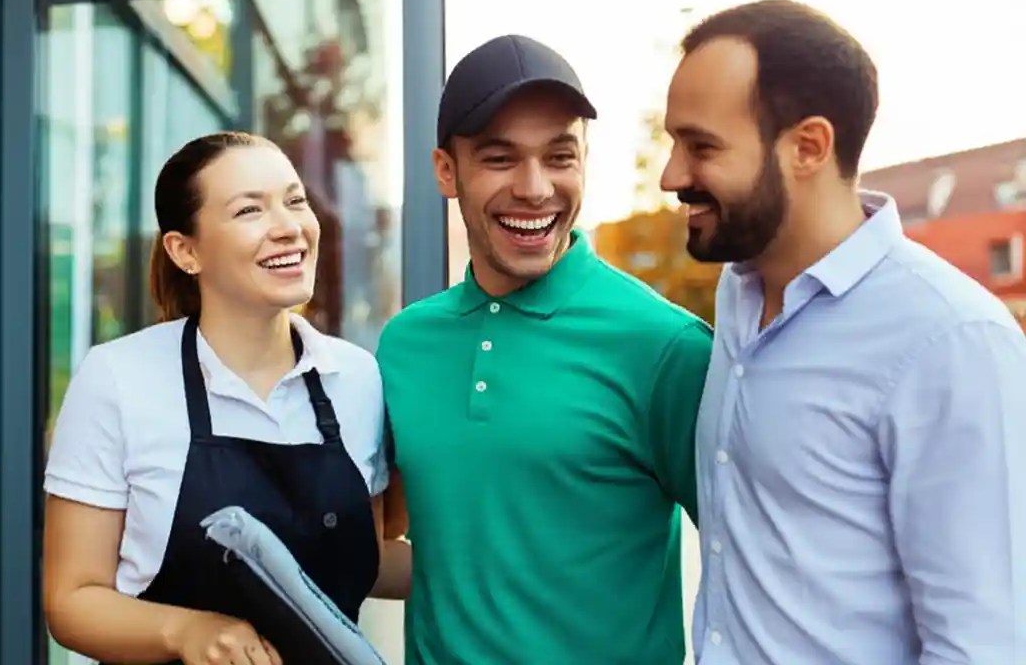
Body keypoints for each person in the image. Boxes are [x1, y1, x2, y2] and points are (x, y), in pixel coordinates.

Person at [661, 0, 1026, 664]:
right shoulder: (740, 294)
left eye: (702, 147)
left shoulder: (951, 343)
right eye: (673, 144)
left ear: (808, 147)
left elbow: (984, 646)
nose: (672, 176)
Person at [375, 34, 714, 663]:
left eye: (560, 157)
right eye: (500, 159)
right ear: (446, 171)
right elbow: (390, 541)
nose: (535, 189)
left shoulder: (664, 347)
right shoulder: (404, 345)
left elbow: (749, 565)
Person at [41, 131, 409, 665]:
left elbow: (364, 557)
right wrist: (186, 632)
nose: (288, 227)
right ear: (185, 250)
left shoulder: (355, 379)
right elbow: (71, 600)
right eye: (249, 211)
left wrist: (517, 562)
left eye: (295, 200)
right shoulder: (119, 378)